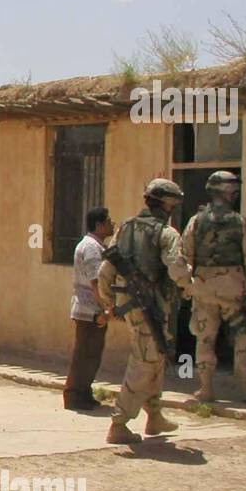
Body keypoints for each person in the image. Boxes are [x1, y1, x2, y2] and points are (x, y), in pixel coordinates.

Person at [96, 178, 194, 444]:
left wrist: (108, 304)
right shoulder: (167, 233)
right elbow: (177, 269)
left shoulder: (126, 227)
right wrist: (191, 288)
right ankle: (119, 423)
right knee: (144, 361)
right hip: (149, 306)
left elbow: (105, 270)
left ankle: (154, 415)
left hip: (131, 305)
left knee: (156, 356)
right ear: (169, 204)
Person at [181, 171, 246, 403]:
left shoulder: (196, 221)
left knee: (204, 337)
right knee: (242, 335)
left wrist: (188, 287)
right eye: (233, 191)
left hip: (203, 286)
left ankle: (206, 389)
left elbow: (185, 256)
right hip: (233, 286)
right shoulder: (240, 222)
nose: (235, 195)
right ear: (226, 193)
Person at [63, 206, 114, 410]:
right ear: (99, 225)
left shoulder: (94, 245)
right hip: (89, 310)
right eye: (109, 221)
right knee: (85, 354)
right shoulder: (92, 248)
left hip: (89, 308)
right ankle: (74, 394)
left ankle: (84, 393)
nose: (112, 224)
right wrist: (104, 310)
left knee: (91, 355)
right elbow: (96, 282)